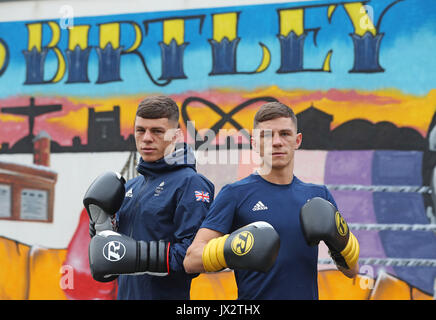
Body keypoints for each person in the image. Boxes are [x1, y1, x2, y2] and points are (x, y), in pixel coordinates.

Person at [183, 101, 360, 300]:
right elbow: (191, 260)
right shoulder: (234, 194)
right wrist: (231, 248)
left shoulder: (319, 195)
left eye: (284, 134)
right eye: (267, 135)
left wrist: (340, 241)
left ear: (297, 140)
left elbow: (351, 270)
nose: (276, 142)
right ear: (254, 143)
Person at [86, 95, 215, 299]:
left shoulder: (191, 183)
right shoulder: (131, 186)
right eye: (140, 130)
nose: (146, 138)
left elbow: (193, 257)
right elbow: (115, 260)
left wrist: (138, 255)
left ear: (175, 136)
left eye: (157, 131)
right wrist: (102, 232)